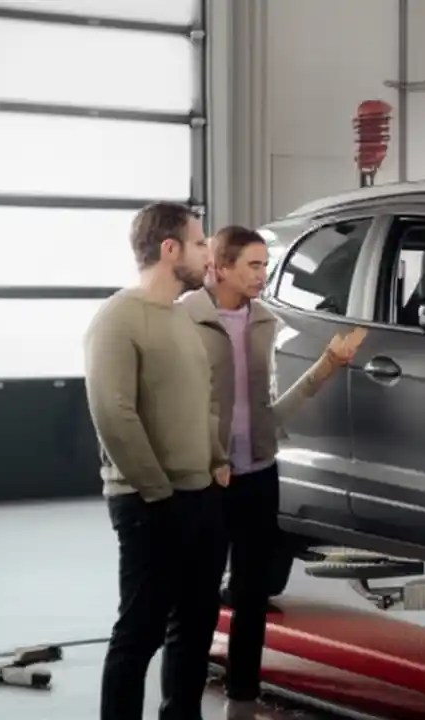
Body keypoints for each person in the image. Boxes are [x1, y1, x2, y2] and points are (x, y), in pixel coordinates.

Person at [180, 225, 365, 716]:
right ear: (220, 266)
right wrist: (206, 460)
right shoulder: (185, 319)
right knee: (197, 600)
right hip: (206, 478)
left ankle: (243, 697)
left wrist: (327, 365)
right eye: (253, 265)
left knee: (252, 595)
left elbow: (268, 413)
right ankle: (180, 702)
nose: (264, 274)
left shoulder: (263, 321)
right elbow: (174, 407)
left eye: (266, 264)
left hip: (259, 474)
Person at [83, 202, 232, 720]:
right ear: (169, 249)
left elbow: (202, 400)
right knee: (140, 631)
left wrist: (215, 462)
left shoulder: (181, 318)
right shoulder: (118, 318)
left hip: (201, 496)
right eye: (198, 244)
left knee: (194, 627)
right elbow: (113, 412)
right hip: (148, 502)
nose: (206, 254)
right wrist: (158, 493)